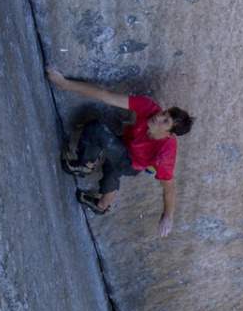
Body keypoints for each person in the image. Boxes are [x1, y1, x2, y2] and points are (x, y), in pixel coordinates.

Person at [45, 66, 192, 237]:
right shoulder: (149, 107)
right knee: (111, 165)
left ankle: (84, 165)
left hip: (131, 164)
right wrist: (65, 83)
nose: (158, 117)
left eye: (165, 121)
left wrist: (168, 216)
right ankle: (102, 205)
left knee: (97, 130)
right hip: (125, 144)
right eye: (164, 113)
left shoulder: (166, 153)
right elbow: (105, 96)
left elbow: (169, 187)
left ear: (169, 133)